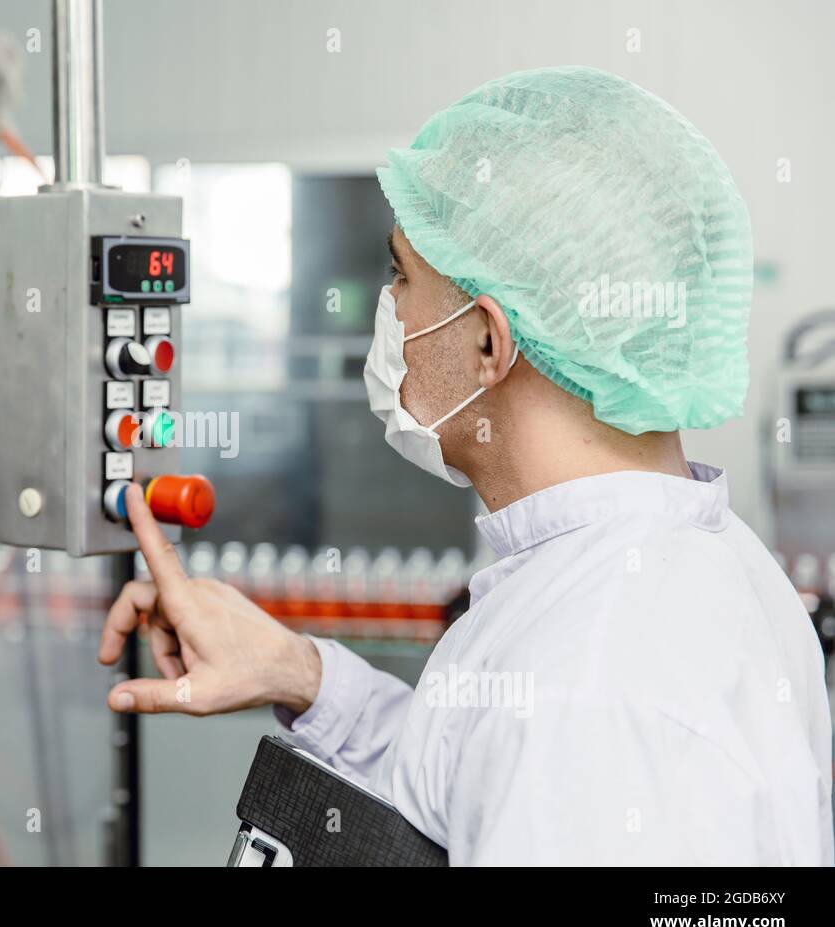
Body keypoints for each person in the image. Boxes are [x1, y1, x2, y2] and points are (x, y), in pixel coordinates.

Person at [97, 66, 834, 865]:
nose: (390, 312)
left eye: (401, 277)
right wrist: (301, 673)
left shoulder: (594, 682)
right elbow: (475, 784)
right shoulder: (674, 571)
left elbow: (552, 750)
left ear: (488, 342)